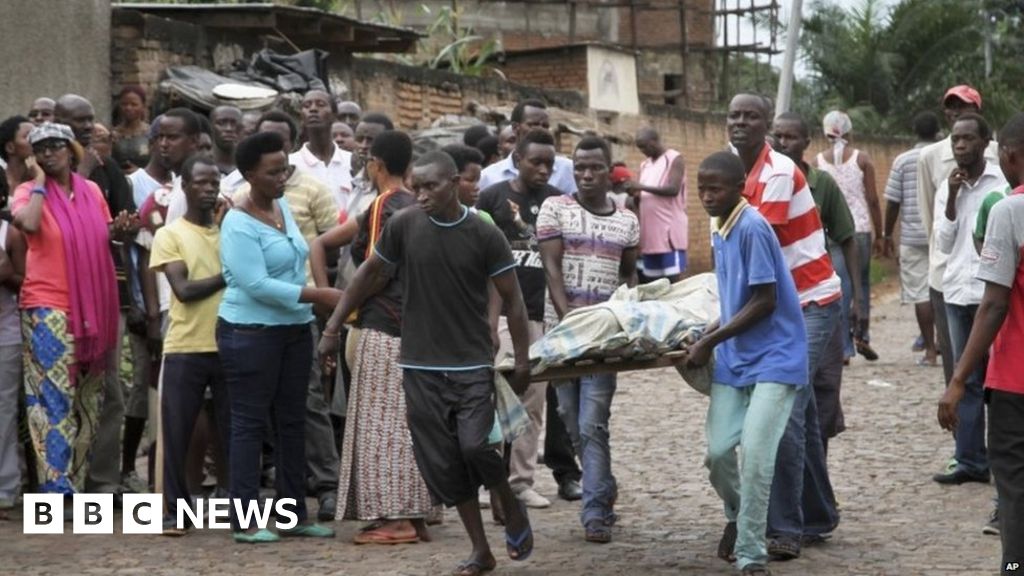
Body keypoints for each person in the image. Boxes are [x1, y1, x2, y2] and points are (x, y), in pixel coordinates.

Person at [318, 151, 534, 576]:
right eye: (416, 187)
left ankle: (507, 499)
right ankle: (480, 551)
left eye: (430, 187)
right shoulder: (404, 225)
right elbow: (368, 274)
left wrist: (523, 359)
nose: (421, 195)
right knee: (444, 462)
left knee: (475, 446)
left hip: (470, 362)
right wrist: (333, 327)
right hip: (419, 365)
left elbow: (513, 299)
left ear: (454, 183)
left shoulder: (483, 232)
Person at [728, 93, 842, 563]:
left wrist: (723, 324)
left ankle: (783, 527)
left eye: (751, 116)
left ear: (766, 128)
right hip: (778, 302)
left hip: (809, 302)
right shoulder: (731, 171)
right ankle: (818, 514)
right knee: (804, 414)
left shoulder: (775, 173)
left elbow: (759, 252)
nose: (741, 122)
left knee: (783, 409)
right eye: (734, 115)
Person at [687, 150, 807, 576]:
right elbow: (732, 297)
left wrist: (710, 342)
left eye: (715, 189)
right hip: (735, 359)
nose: (707, 196)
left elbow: (764, 300)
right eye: (701, 188)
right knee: (718, 453)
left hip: (776, 356)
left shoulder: (752, 227)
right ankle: (738, 517)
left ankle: (751, 554)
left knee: (756, 458)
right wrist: (707, 332)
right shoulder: (719, 227)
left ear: (740, 188)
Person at [218, 131, 340, 543]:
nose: (282, 178)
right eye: (272, 172)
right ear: (249, 174)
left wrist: (311, 303)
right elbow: (255, 284)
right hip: (250, 333)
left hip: (293, 329)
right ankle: (245, 520)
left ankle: (293, 515)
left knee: (293, 422)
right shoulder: (237, 222)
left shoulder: (281, 205)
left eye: (285, 169)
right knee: (250, 424)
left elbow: (297, 257)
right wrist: (318, 295)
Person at [317, 130, 432, 544]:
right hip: (417, 328)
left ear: (377, 165)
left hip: (385, 324)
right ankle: (413, 513)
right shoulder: (420, 205)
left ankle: (396, 519)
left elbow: (375, 271)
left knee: (381, 426)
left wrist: (336, 319)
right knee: (407, 423)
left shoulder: (384, 204)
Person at [13, 123, 127, 501]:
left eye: (56, 146)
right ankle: (55, 489)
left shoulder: (90, 191)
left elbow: (101, 237)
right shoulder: (27, 193)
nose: (49, 154)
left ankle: (74, 486)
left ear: (71, 149)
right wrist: (39, 182)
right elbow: (29, 224)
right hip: (47, 307)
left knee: (88, 401)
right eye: (41, 149)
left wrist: (120, 231)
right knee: (51, 399)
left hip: (93, 308)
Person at [538, 136, 639, 544]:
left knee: (592, 422)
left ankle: (595, 511)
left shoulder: (626, 220)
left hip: (604, 339)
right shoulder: (555, 209)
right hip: (562, 336)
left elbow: (628, 274)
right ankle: (605, 486)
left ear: (609, 171)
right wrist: (570, 322)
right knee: (570, 419)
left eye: (595, 167)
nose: (586, 174)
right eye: (579, 167)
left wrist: (626, 315)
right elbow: (551, 267)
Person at [938, 111, 1024, 575]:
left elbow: (993, 304)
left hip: (1015, 379)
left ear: (1008, 155)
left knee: (1014, 484)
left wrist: (957, 380)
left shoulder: (1010, 209)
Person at [55, 94, 138, 500]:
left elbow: (125, 225)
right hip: (55, 300)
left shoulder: (108, 170)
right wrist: (82, 170)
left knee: (108, 391)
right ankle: (58, 481)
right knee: (60, 393)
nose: (87, 127)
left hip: (105, 296)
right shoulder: (43, 174)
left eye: (91, 120)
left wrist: (123, 229)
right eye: (78, 121)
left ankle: (102, 481)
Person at [476, 129, 563, 512]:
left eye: (549, 164)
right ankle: (488, 481)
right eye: (536, 162)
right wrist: (487, 318)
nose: (543, 169)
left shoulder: (557, 202)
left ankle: (521, 481)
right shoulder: (493, 198)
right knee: (493, 395)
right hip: (498, 315)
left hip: (537, 314)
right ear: (518, 160)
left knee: (533, 399)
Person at [771, 111, 861, 458]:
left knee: (823, 386)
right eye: (777, 136)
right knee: (790, 387)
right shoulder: (762, 183)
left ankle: (816, 470)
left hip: (818, 299)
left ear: (806, 143)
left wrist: (857, 298)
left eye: (790, 137)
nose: (782, 143)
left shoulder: (822, 184)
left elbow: (847, 238)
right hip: (777, 301)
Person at [150, 154, 230, 536]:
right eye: (200, 182)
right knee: (178, 433)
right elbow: (183, 289)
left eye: (214, 182)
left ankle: (235, 506)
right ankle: (175, 513)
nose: (209, 189)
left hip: (229, 345)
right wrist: (230, 274)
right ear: (185, 186)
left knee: (231, 433)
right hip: (185, 346)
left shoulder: (229, 233)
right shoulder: (170, 235)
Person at [932, 113, 1007, 487]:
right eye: (955, 139)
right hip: (957, 292)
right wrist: (952, 197)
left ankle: (1006, 458)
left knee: (1002, 382)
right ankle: (970, 459)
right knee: (965, 378)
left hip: (992, 294)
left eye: (967, 139)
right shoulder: (948, 187)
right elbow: (944, 243)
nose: (960, 145)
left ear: (986, 142)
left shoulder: (1002, 183)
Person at [916, 85, 999, 398]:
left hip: (990, 283)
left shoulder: (1001, 165)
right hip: (951, 281)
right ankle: (964, 428)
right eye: (951, 107)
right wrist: (952, 197)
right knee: (960, 370)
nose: (961, 145)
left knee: (995, 371)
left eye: (964, 106)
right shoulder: (933, 161)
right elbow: (934, 225)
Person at [814, 110, 882, 362]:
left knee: (839, 285)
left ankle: (843, 345)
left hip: (831, 230)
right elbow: (872, 199)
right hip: (860, 228)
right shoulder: (861, 159)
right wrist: (881, 234)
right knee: (860, 282)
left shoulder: (817, 162)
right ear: (849, 132)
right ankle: (862, 335)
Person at [883, 111, 941, 366]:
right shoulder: (943, 155)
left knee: (920, 293)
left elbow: (893, 202)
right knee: (943, 290)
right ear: (937, 132)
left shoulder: (903, 160)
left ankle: (930, 351)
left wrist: (887, 234)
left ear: (914, 132)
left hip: (912, 236)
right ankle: (945, 343)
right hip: (941, 233)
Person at [478, 99, 576, 194]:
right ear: (515, 128)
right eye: (533, 125)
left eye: (545, 126)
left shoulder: (567, 170)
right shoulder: (489, 177)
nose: (540, 130)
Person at [628, 127, 688, 282]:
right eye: (640, 147)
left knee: (673, 284)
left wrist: (641, 187)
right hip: (650, 237)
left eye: (644, 146)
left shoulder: (674, 158)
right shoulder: (645, 165)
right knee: (653, 285)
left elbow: (673, 189)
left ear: (654, 142)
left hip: (669, 235)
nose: (643, 151)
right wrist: (636, 194)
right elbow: (644, 196)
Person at [290, 90, 352, 210]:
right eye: (307, 106)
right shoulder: (291, 164)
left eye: (321, 104)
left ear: (334, 115)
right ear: (301, 116)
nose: (313, 109)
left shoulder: (351, 162)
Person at [0, 217, 25, 513]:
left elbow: (25, 280)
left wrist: (5, 275)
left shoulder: (11, 235)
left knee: (4, 410)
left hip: (6, 335)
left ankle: (5, 485)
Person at [441, 143, 493, 224]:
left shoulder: (482, 220)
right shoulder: (423, 219)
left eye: (478, 180)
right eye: (470, 180)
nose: (477, 187)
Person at [112, 86, 150, 173]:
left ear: (143, 106)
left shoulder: (151, 134)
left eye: (134, 104)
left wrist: (140, 172)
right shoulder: (112, 135)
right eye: (124, 104)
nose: (128, 108)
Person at [0, 116, 35, 212]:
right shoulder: (1, 182)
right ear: (10, 147)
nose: (37, 141)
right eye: (29, 137)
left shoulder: (43, 180)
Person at [209, 105, 244, 192]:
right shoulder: (200, 166)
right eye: (221, 123)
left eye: (234, 123)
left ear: (241, 128)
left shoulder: (249, 170)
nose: (229, 129)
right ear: (211, 127)